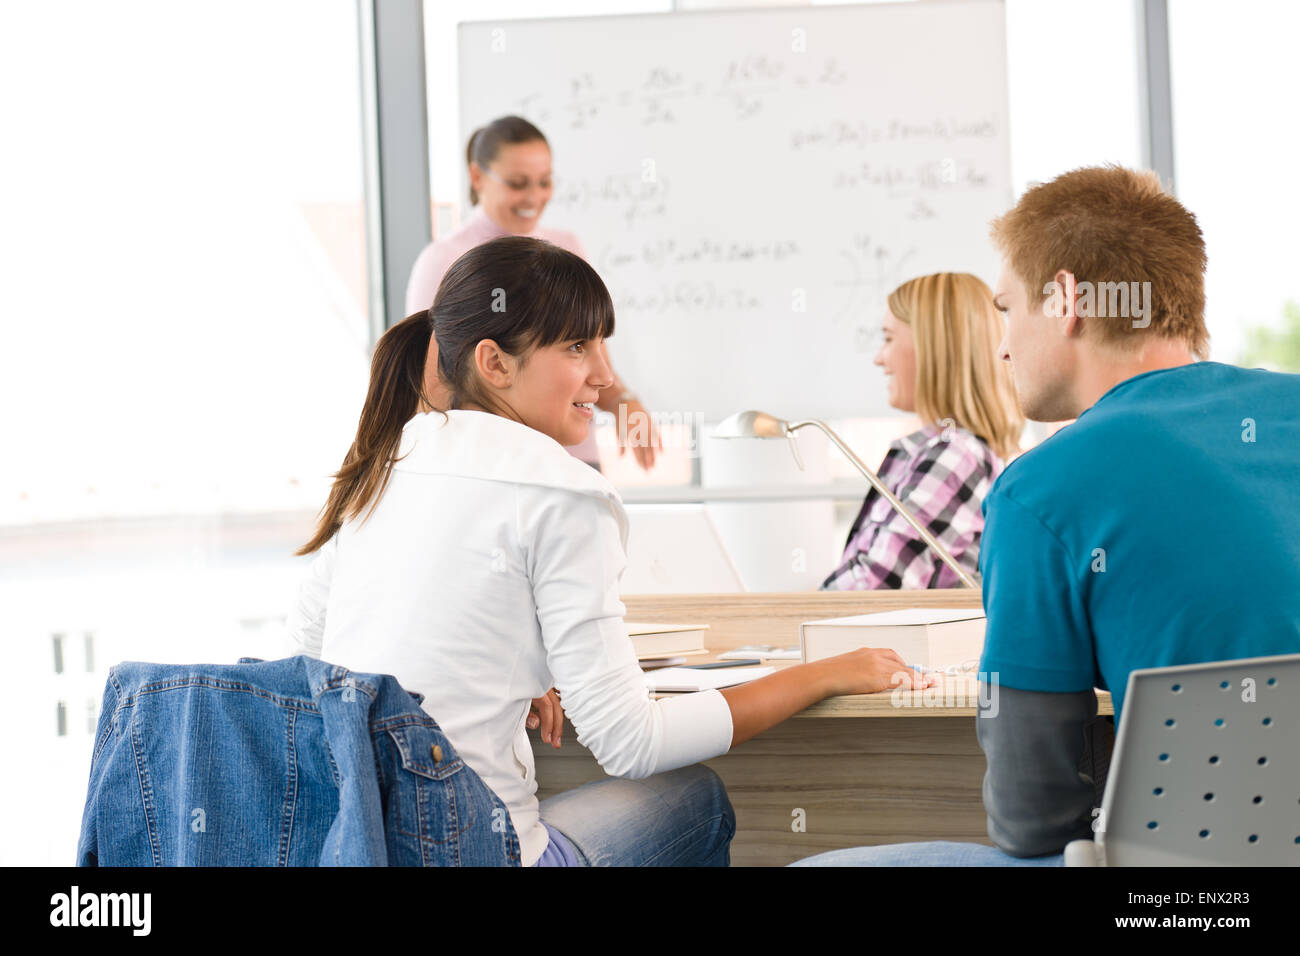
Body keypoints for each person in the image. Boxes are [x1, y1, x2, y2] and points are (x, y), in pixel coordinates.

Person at [285, 235, 932, 867]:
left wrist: (517, 673)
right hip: (489, 849)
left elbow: (312, 662)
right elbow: (632, 743)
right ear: (494, 362)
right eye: (576, 346)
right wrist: (827, 673)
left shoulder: (385, 462)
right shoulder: (561, 488)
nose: (605, 375)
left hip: (356, 845)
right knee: (698, 797)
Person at [793, 164, 1300, 866]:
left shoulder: (1045, 489)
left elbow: (1032, 820)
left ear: (1065, 300)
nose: (1000, 344)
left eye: (1005, 308)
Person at [405, 114, 659, 473]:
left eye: (544, 182)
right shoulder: (443, 261)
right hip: (495, 467)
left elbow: (589, 352)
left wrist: (624, 403)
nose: (534, 197)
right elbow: (429, 387)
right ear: (477, 177)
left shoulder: (566, 247)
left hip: (574, 459)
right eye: (518, 183)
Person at [821, 273, 1023, 590]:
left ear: (933, 349)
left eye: (888, 338)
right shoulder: (935, 451)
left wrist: (777, 616)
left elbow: (873, 588)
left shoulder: (955, 456)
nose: (879, 358)